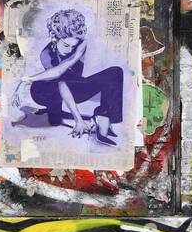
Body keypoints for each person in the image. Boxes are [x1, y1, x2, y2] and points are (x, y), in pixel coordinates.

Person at [19, 8, 124, 145]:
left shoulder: (80, 43)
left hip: (77, 87)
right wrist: (78, 119)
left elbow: (69, 63)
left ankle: (103, 117)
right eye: (66, 45)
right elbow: (61, 83)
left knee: (115, 72)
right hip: (50, 92)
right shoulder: (46, 55)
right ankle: (53, 110)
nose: (69, 50)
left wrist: (28, 79)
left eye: (72, 46)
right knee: (54, 121)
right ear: (53, 36)